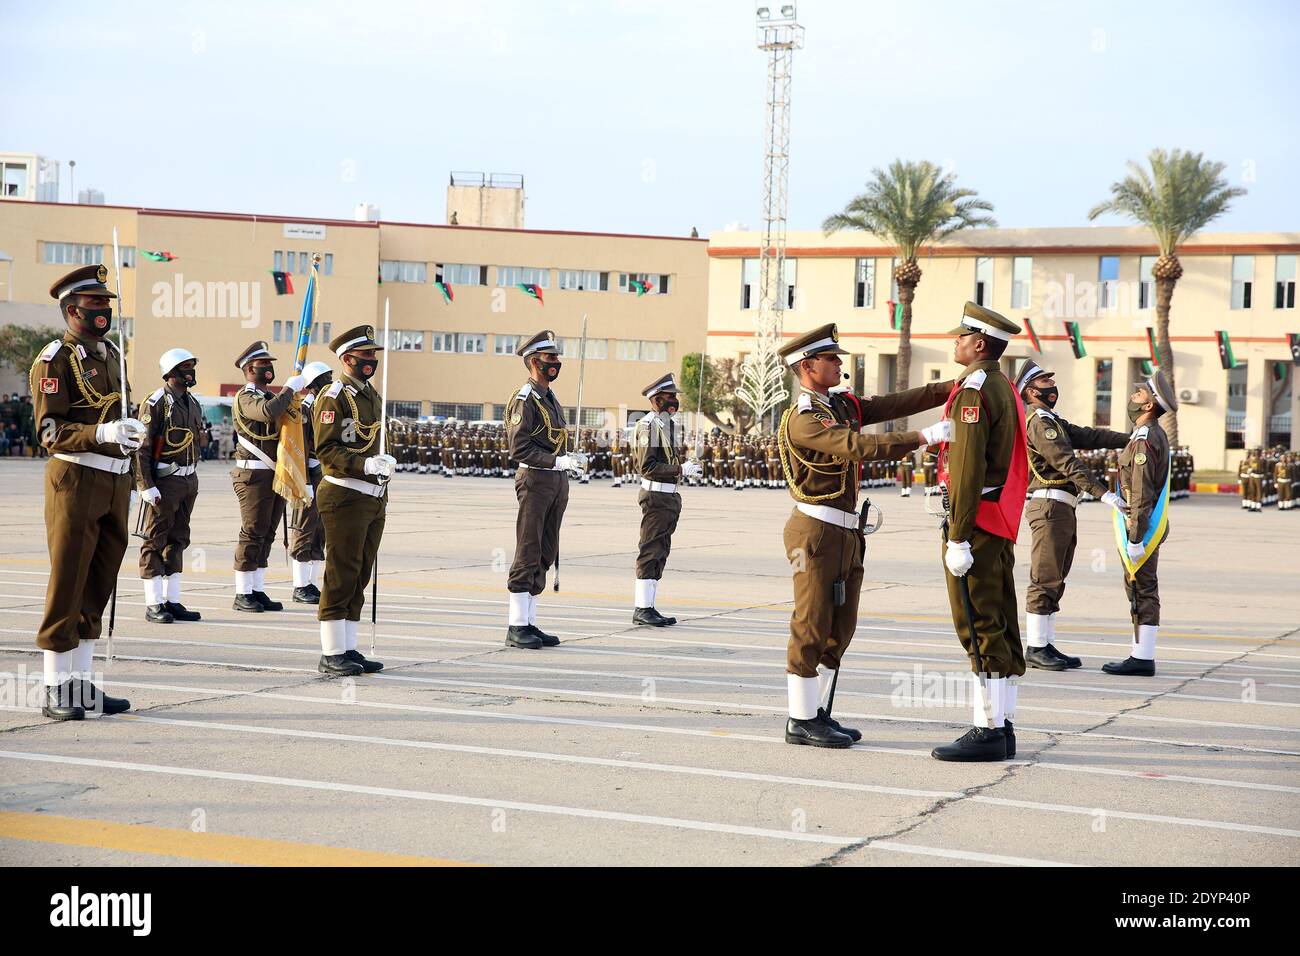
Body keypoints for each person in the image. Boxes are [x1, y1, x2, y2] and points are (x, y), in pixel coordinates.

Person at [777, 323, 953, 748]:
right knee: (811, 621)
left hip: (847, 532)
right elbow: (857, 447)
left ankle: (818, 712)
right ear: (807, 365)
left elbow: (898, 402)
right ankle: (799, 719)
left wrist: (954, 386)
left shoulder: (840, 405)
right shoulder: (804, 419)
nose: (840, 363)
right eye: (831, 358)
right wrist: (921, 437)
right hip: (814, 533)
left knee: (841, 624)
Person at [30, 264, 140, 720]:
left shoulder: (112, 354)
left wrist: (130, 436)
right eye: (95, 304)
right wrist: (101, 433)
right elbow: (50, 430)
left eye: (106, 303)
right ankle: (56, 684)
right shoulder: (54, 358)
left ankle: (81, 683)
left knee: (98, 582)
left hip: (115, 479)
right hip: (76, 478)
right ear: (71, 309)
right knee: (69, 579)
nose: (104, 310)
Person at [933, 303, 1028, 762]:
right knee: (999, 617)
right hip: (994, 518)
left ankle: (987, 729)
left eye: (962, 337)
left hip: (977, 522)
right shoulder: (1002, 384)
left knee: (978, 622)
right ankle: (1002, 724)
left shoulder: (975, 390)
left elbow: (967, 468)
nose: (956, 342)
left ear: (980, 344)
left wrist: (958, 535)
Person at [1015, 359, 1129, 670]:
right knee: (1044, 576)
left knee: (1056, 576)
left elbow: (1089, 436)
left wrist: (1128, 438)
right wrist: (1104, 493)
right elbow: (1067, 462)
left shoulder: (1052, 420)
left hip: (1062, 506)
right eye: (1044, 383)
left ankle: (1046, 643)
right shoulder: (1039, 423)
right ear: (1029, 391)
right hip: (1050, 506)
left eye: (1051, 381)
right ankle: (1036, 647)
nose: (1051, 387)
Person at [313, 326, 391, 676]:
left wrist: (382, 465)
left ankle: (348, 646)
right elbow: (327, 449)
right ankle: (331, 652)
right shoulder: (334, 396)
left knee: (360, 572)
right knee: (341, 571)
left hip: (372, 496)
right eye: (365, 356)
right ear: (347, 359)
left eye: (373, 355)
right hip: (344, 493)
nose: (372, 361)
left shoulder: (370, 394)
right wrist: (364, 464)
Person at [504, 329, 587, 649]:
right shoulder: (524, 399)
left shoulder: (549, 397)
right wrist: (557, 462)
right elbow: (519, 447)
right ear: (533, 361)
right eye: (550, 358)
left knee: (546, 550)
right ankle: (516, 625)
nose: (556, 363)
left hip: (555, 483)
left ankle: (530, 621)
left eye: (556, 358)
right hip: (536, 481)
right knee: (528, 548)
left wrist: (569, 461)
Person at [1103, 370, 1178, 677]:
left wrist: (1135, 539)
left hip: (1141, 526)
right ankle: (1140, 653)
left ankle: (1142, 657)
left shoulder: (1146, 439)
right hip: (1142, 523)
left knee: (1141, 588)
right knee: (1141, 587)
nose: (1133, 397)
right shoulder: (1146, 435)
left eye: (1140, 394)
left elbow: (1143, 493)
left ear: (1149, 406)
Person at [230, 340, 306, 612]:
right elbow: (266, 413)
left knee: (267, 533)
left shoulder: (267, 396)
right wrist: (289, 389)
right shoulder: (246, 397)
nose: (269, 368)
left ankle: (257, 589)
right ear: (250, 368)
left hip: (273, 473)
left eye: (270, 364)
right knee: (251, 532)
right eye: (264, 365)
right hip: (253, 473)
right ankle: (242, 592)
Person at [136, 348, 207, 623]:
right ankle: (153, 603)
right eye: (186, 367)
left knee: (178, 539)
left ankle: (172, 599)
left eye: (192, 365)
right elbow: (141, 448)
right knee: (155, 539)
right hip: (165, 480)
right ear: (171, 372)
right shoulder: (156, 402)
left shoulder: (192, 402)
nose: (191, 371)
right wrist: (146, 484)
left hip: (188, 479)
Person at [631, 373, 703, 625]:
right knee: (650, 549)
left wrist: (685, 466)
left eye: (675, 397)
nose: (675, 401)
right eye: (670, 397)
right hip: (655, 495)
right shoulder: (648, 426)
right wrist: (681, 469)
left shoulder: (666, 425)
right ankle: (642, 608)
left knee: (660, 550)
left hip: (668, 496)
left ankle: (649, 605)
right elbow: (647, 466)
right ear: (657, 398)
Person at [288, 361, 332, 604]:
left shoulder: (324, 406)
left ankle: (311, 584)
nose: (330, 381)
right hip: (309, 475)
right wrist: (303, 479)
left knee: (319, 531)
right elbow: (299, 448)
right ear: (313, 384)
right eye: (325, 377)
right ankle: (300, 586)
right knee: (304, 529)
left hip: (324, 475)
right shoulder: (304, 410)